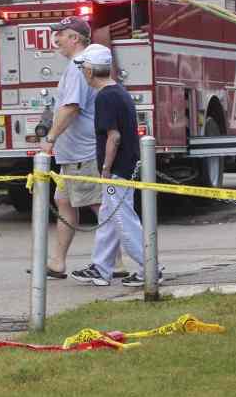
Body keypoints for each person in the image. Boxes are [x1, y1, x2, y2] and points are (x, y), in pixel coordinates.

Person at [69, 44, 157, 288]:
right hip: (126, 165)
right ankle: (101, 268)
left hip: (117, 169)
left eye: (83, 69)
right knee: (109, 217)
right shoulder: (118, 91)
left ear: (89, 71)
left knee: (123, 220)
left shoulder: (105, 97)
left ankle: (149, 266)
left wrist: (106, 168)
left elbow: (114, 136)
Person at [39, 16, 110, 279]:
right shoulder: (76, 66)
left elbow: (71, 107)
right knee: (65, 203)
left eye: (61, 33)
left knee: (98, 205)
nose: (56, 38)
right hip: (73, 155)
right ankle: (57, 263)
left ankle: (119, 263)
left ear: (75, 38)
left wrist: (50, 139)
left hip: (84, 153)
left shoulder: (79, 66)